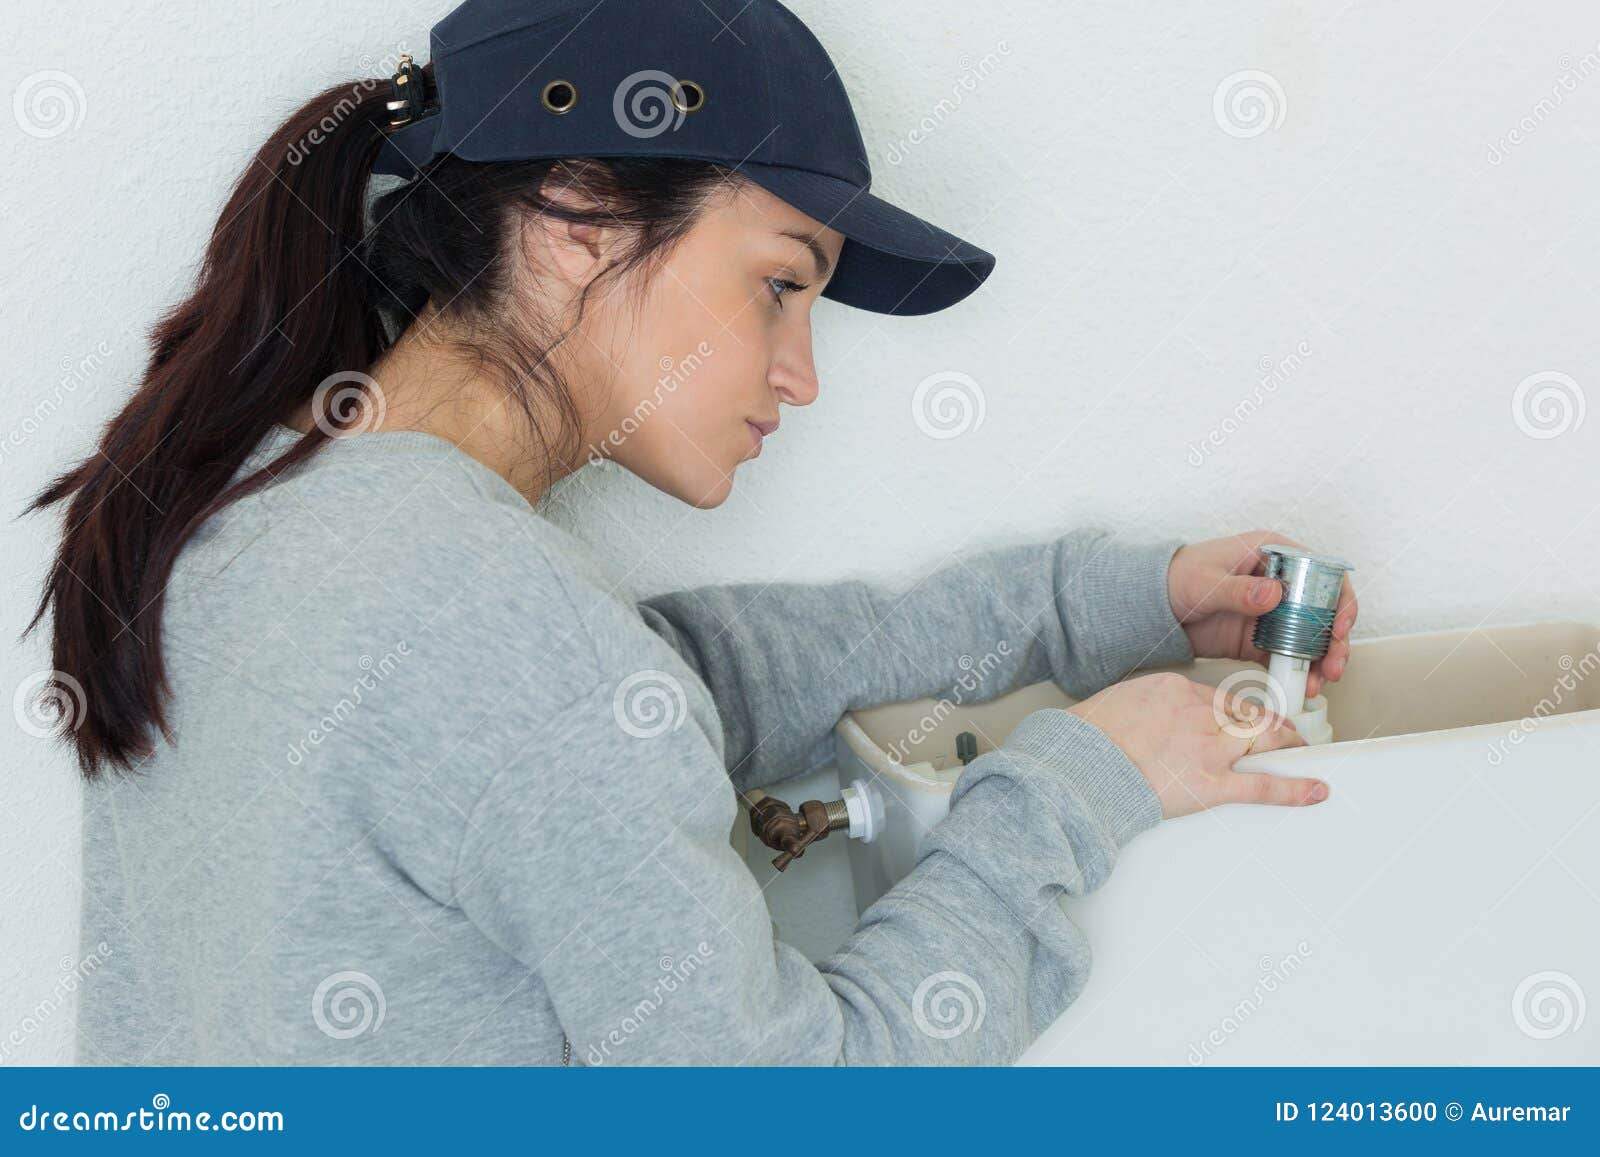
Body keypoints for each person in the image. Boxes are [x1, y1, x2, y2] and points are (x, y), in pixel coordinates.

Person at [26, 0, 1356, 1065]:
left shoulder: (249, 504)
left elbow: (690, 680)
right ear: (576, 217)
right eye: (780, 284)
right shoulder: (512, 635)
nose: (802, 373)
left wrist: (1119, 601)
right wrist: (1073, 786)